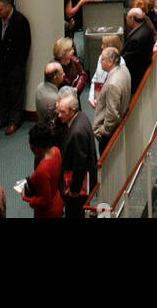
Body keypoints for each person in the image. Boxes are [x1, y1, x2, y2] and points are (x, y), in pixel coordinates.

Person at [0, 0, 31, 134]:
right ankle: (3, 118)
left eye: (1, 9)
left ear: (8, 7)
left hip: (15, 64)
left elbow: (26, 45)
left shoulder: (20, 21)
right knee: (3, 91)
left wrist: (20, 64)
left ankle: (14, 121)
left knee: (16, 93)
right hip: (2, 62)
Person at [56, 86, 97, 218]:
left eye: (62, 112)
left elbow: (80, 165)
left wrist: (73, 189)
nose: (59, 115)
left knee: (74, 212)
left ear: (72, 111)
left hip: (78, 187)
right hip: (83, 178)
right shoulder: (82, 116)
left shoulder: (77, 132)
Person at [92, 47, 131, 154]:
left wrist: (103, 132)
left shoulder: (112, 84)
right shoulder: (123, 70)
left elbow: (112, 114)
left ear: (110, 62)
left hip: (108, 137)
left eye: (103, 59)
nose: (100, 61)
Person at [21, 127, 63, 218]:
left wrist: (27, 198)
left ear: (35, 146)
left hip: (47, 213)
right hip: (57, 200)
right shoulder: (56, 151)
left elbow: (44, 201)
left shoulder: (42, 171)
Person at [120, 6, 156, 94]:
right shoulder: (146, 29)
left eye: (127, 18)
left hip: (135, 78)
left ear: (132, 19)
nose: (126, 20)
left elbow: (126, 60)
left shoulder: (136, 39)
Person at [35, 61, 65, 135]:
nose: (64, 74)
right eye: (62, 73)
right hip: (52, 135)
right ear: (55, 78)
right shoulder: (56, 99)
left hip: (41, 129)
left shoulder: (39, 87)